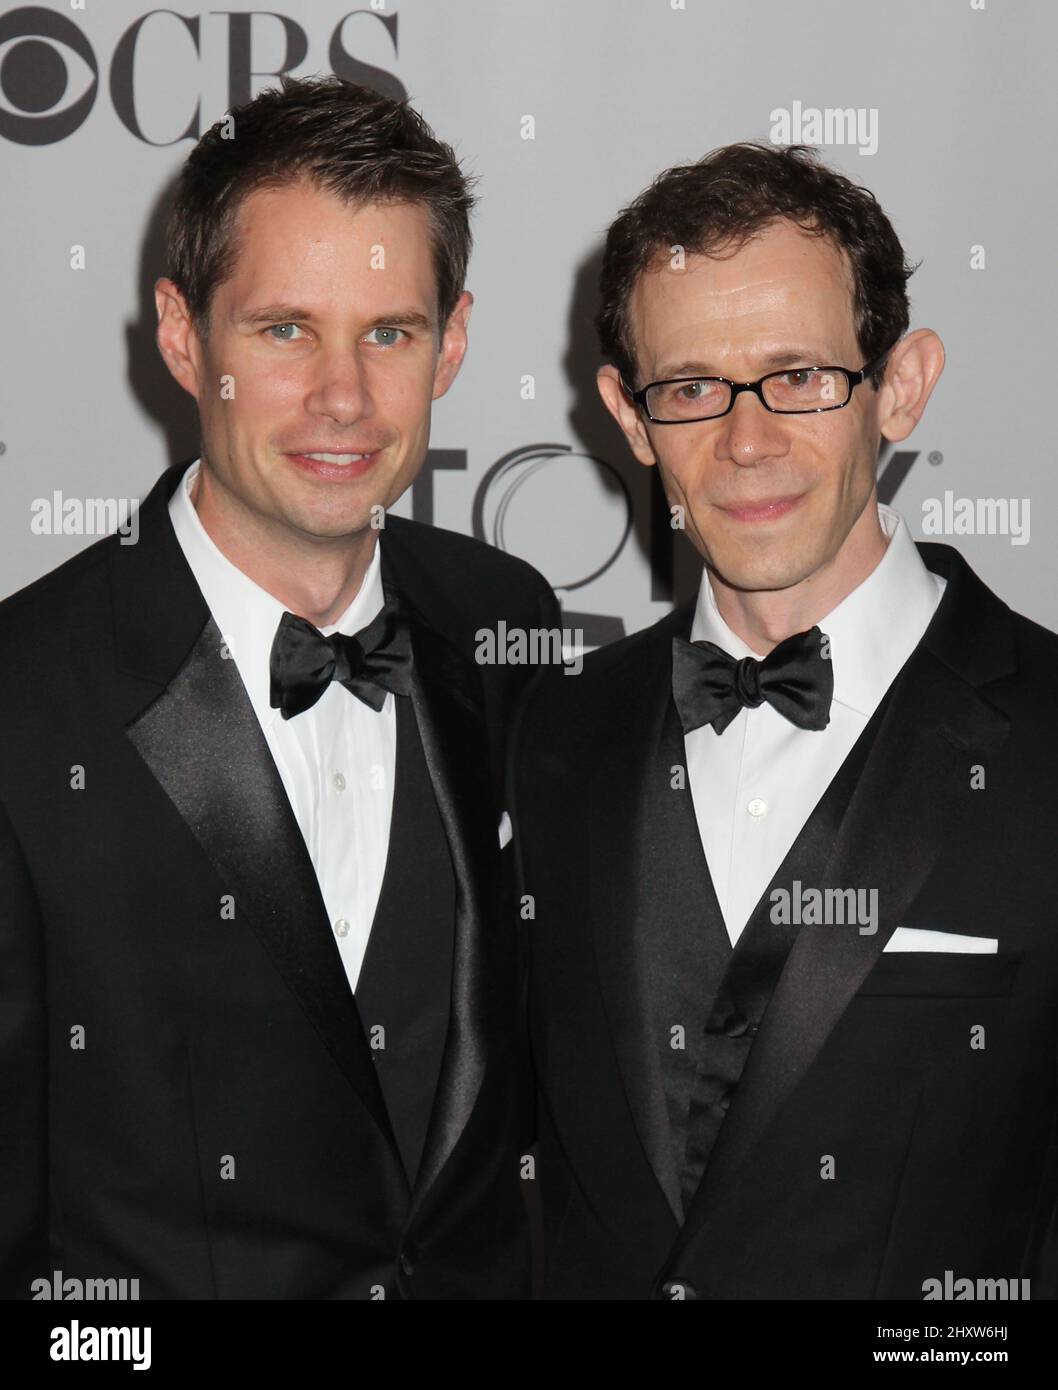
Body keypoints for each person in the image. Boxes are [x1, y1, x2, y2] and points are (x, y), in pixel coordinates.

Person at [0, 75, 557, 1300]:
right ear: (185, 333)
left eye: (389, 333)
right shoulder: (23, 698)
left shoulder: (507, 623)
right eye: (285, 329)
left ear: (451, 343)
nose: (343, 399)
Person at [513, 142, 1058, 1300]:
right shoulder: (547, 740)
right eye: (691, 387)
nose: (745, 440)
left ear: (898, 385)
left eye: (800, 376)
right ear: (628, 414)